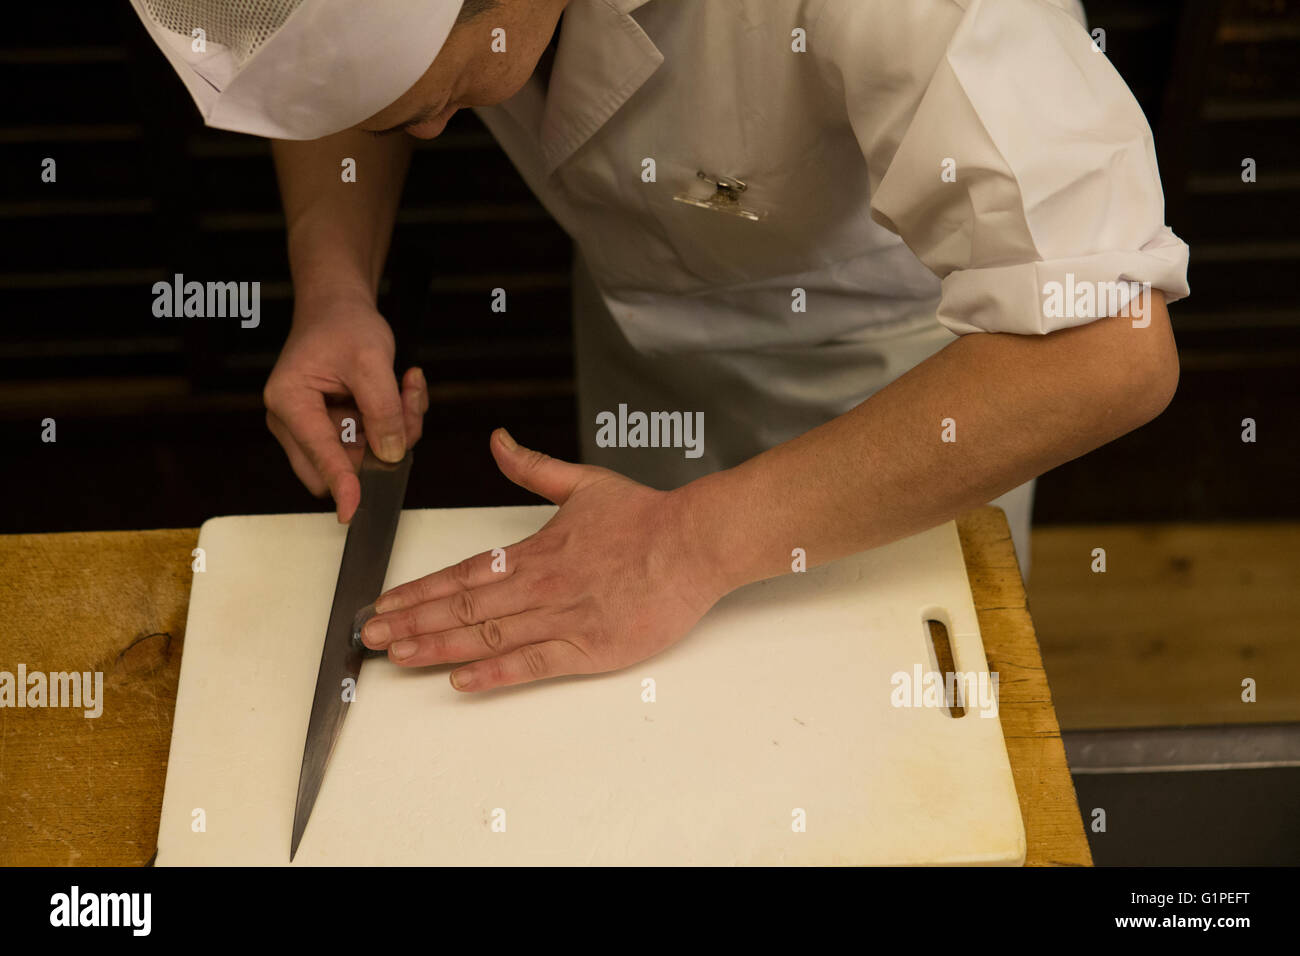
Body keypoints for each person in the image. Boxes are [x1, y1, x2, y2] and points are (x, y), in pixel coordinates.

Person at [132, 0, 1190, 692]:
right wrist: (332, 284)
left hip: (921, 388)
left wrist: (688, 544)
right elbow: (338, 77)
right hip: (643, 346)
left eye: (431, 100)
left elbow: (1108, 342)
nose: (420, 133)